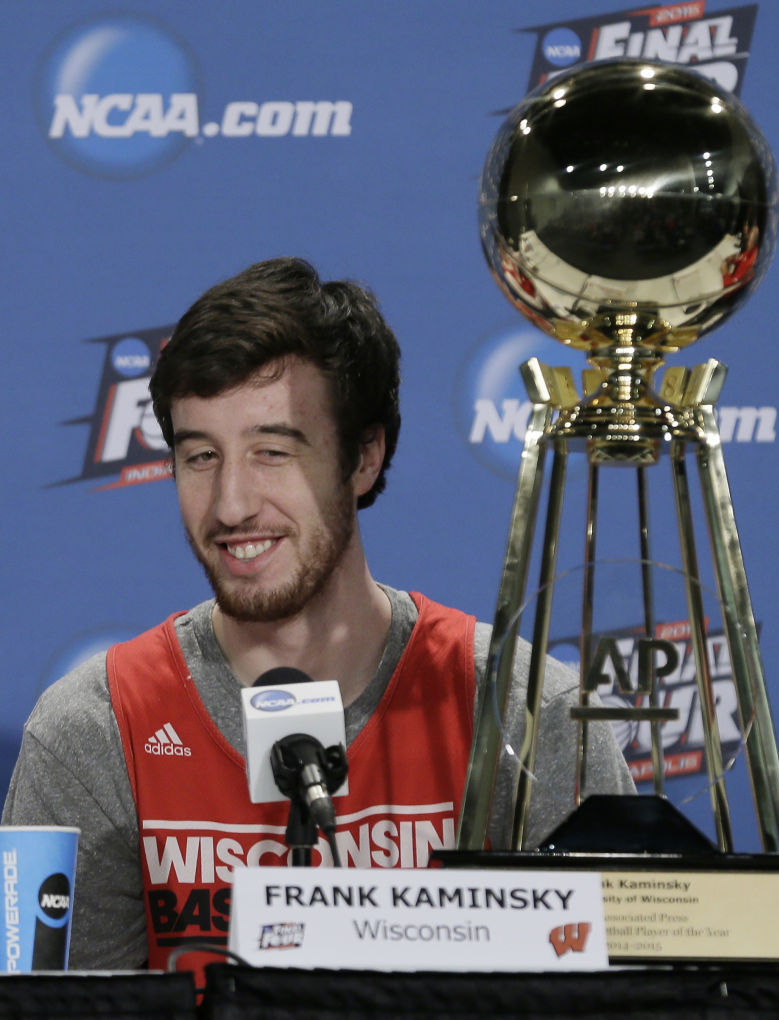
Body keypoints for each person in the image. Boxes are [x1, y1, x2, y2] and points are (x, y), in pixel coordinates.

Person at [3, 257, 633, 971]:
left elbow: (621, 991)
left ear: (363, 458)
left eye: (271, 453)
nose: (231, 504)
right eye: (200, 456)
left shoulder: (519, 709)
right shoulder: (95, 729)